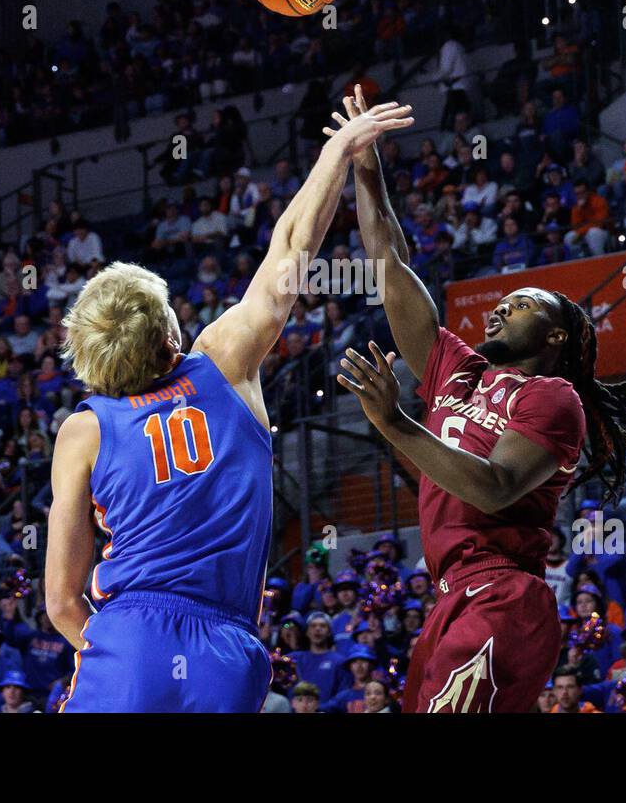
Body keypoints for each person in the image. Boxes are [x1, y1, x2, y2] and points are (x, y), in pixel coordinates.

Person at [333, 86, 626, 713]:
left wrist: (395, 423)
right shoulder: (455, 371)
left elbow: (494, 487)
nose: (499, 305)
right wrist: (365, 166)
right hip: (448, 598)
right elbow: (388, 260)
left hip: (502, 595)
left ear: (555, 336)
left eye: (520, 304)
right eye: (501, 300)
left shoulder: (555, 399)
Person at [46, 95, 414, 712]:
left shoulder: (83, 432)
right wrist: (335, 152)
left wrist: (125, 652)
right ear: (170, 337)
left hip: (129, 636)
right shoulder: (222, 362)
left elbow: (61, 601)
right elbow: (292, 248)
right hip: (227, 649)